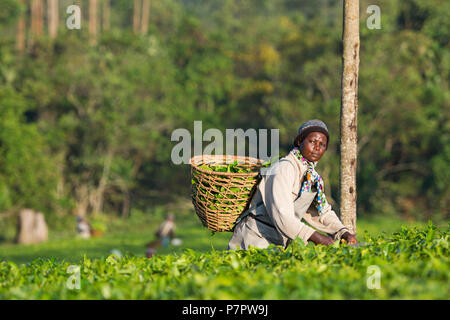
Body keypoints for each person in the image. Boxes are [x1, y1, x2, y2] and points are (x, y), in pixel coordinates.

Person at [228, 119, 358, 250]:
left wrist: (343, 233)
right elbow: (282, 215)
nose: (317, 148)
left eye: (322, 145)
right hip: (253, 239)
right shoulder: (284, 168)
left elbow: (322, 212)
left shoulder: (312, 178)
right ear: (300, 142)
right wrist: (318, 238)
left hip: (277, 242)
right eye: (312, 141)